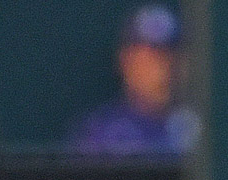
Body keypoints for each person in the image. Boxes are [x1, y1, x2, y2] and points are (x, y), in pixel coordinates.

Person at [68, 4, 197, 156]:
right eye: (152, 59)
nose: (165, 69)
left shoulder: (201, 128)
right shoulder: (102, 134)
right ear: (126, 61)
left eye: (172, 58)